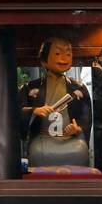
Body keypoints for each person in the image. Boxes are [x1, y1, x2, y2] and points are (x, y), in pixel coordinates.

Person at [18, 36, 92, 169]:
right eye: (57, 53)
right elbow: (16, 113)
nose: (63, 58)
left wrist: (78, 130)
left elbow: (86, 117)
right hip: (43, 139)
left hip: (71, 141)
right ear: (44, 61)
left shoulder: (79, 89)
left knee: (81, 150)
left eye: (68, 53)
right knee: (37, 152)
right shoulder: (30, 88)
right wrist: (34, 111)